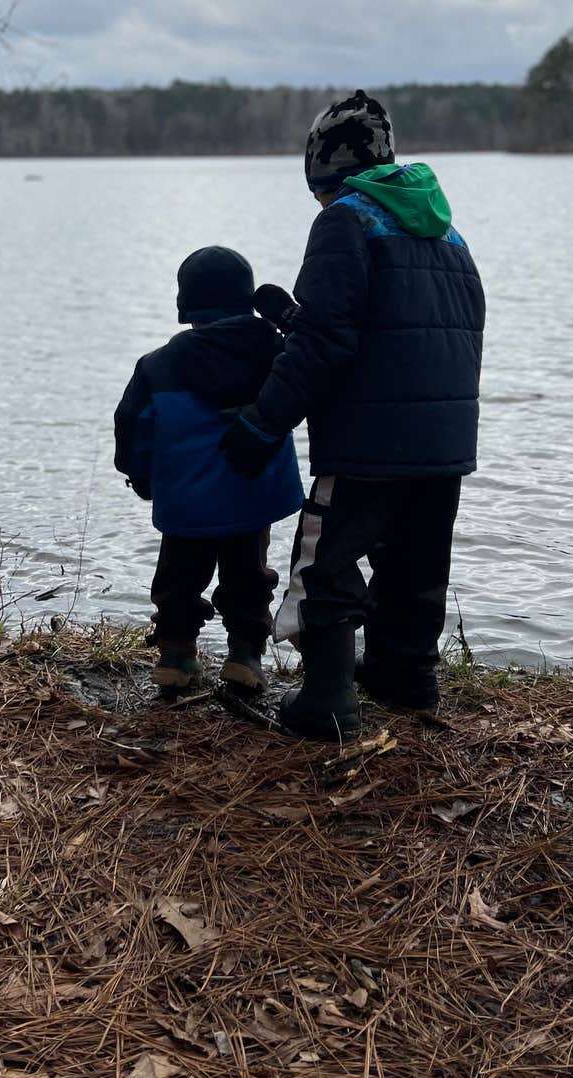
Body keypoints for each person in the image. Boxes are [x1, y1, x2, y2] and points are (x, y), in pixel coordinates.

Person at [220, 90, 486, 739]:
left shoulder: (345, 220)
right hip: (445, 440)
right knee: (417, 562)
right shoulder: (445, 230)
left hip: (368, 441)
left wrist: (261, 424)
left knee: (324, 564)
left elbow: (325, 344)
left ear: (324, 169)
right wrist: (298, 319)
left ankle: (327, 701)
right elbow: (419, 327)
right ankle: (406, 676)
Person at [114, 246, 304, 693]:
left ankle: (175, 656)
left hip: (185, 498)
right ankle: (245, 657)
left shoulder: (158, 364)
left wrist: (141, 476)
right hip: (252, 495)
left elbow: (132, 425)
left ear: (186, 303)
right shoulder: (278, 353)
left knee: (178, 577)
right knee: (249, 577)